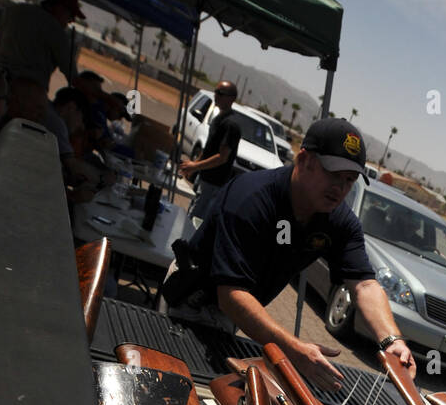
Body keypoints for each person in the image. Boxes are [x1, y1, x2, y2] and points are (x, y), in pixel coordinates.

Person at [172, 117, 416, 388]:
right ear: (304, 160)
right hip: (193, 297)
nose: (341, 188)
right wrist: (292, 348)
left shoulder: (339, 221)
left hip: (236, 309)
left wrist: (392, 340)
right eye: (333, 174)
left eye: (349, 180)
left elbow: (365, 285)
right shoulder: (251, 198)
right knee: (180, 383)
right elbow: (230, 294)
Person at [0, 0, 82, 126]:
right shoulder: (55, 30)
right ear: (59, 8)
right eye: (70, 15)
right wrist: (104, 98)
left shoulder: (14, 10)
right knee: (57, 130)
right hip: (27, 97)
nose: (71, 21)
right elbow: (73, 78)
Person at [177, 81, 242, 223]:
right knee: (192, 212)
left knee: (195, 219)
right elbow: (209, 149)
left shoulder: (231, 124)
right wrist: (194, 165)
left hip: (214, 182)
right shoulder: (218, 118)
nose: (216, 95)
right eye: (216, 92)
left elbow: (222, 157)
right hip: (204, 177)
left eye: (221, 93)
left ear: (232, 98)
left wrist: (195, 166)